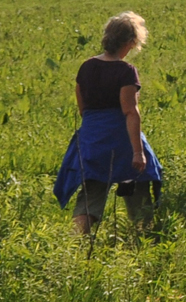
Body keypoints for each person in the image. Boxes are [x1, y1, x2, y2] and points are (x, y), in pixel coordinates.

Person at [55, 12, 161, 233]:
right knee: (138, 185)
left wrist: (96, 132)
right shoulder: (126, 72)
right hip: (121, 141)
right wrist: (137, 152)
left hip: (92, 140)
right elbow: (130, 112)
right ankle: (143, 239)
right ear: (131, 42)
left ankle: (75, 246)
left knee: (91, 194)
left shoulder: (86, 67)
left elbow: (83, 108)